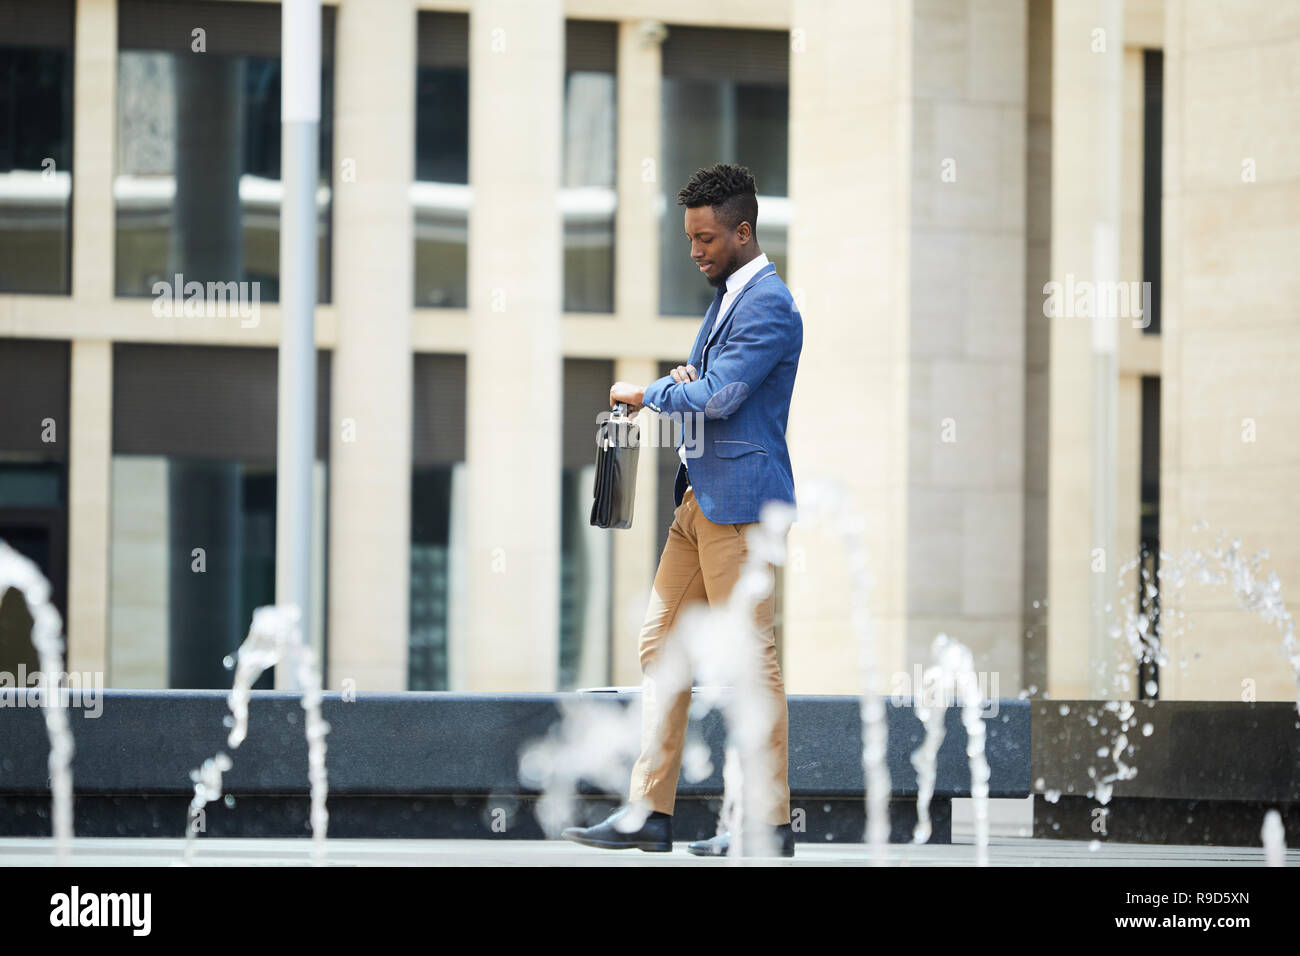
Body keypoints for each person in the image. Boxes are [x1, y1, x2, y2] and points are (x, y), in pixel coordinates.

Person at [562, 163, 803, 857]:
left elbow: (724, 396)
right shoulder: (730, 297)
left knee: (749, 665)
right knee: (660, 648)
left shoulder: (769, 304)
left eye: (704, 237)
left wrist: (649, 393)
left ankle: (769, 824)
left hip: (742, 510)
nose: (694, 249)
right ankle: (650, 812)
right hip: (698, 502)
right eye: (690, 237)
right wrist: (686, 380)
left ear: (742, 231)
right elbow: (717, 384)